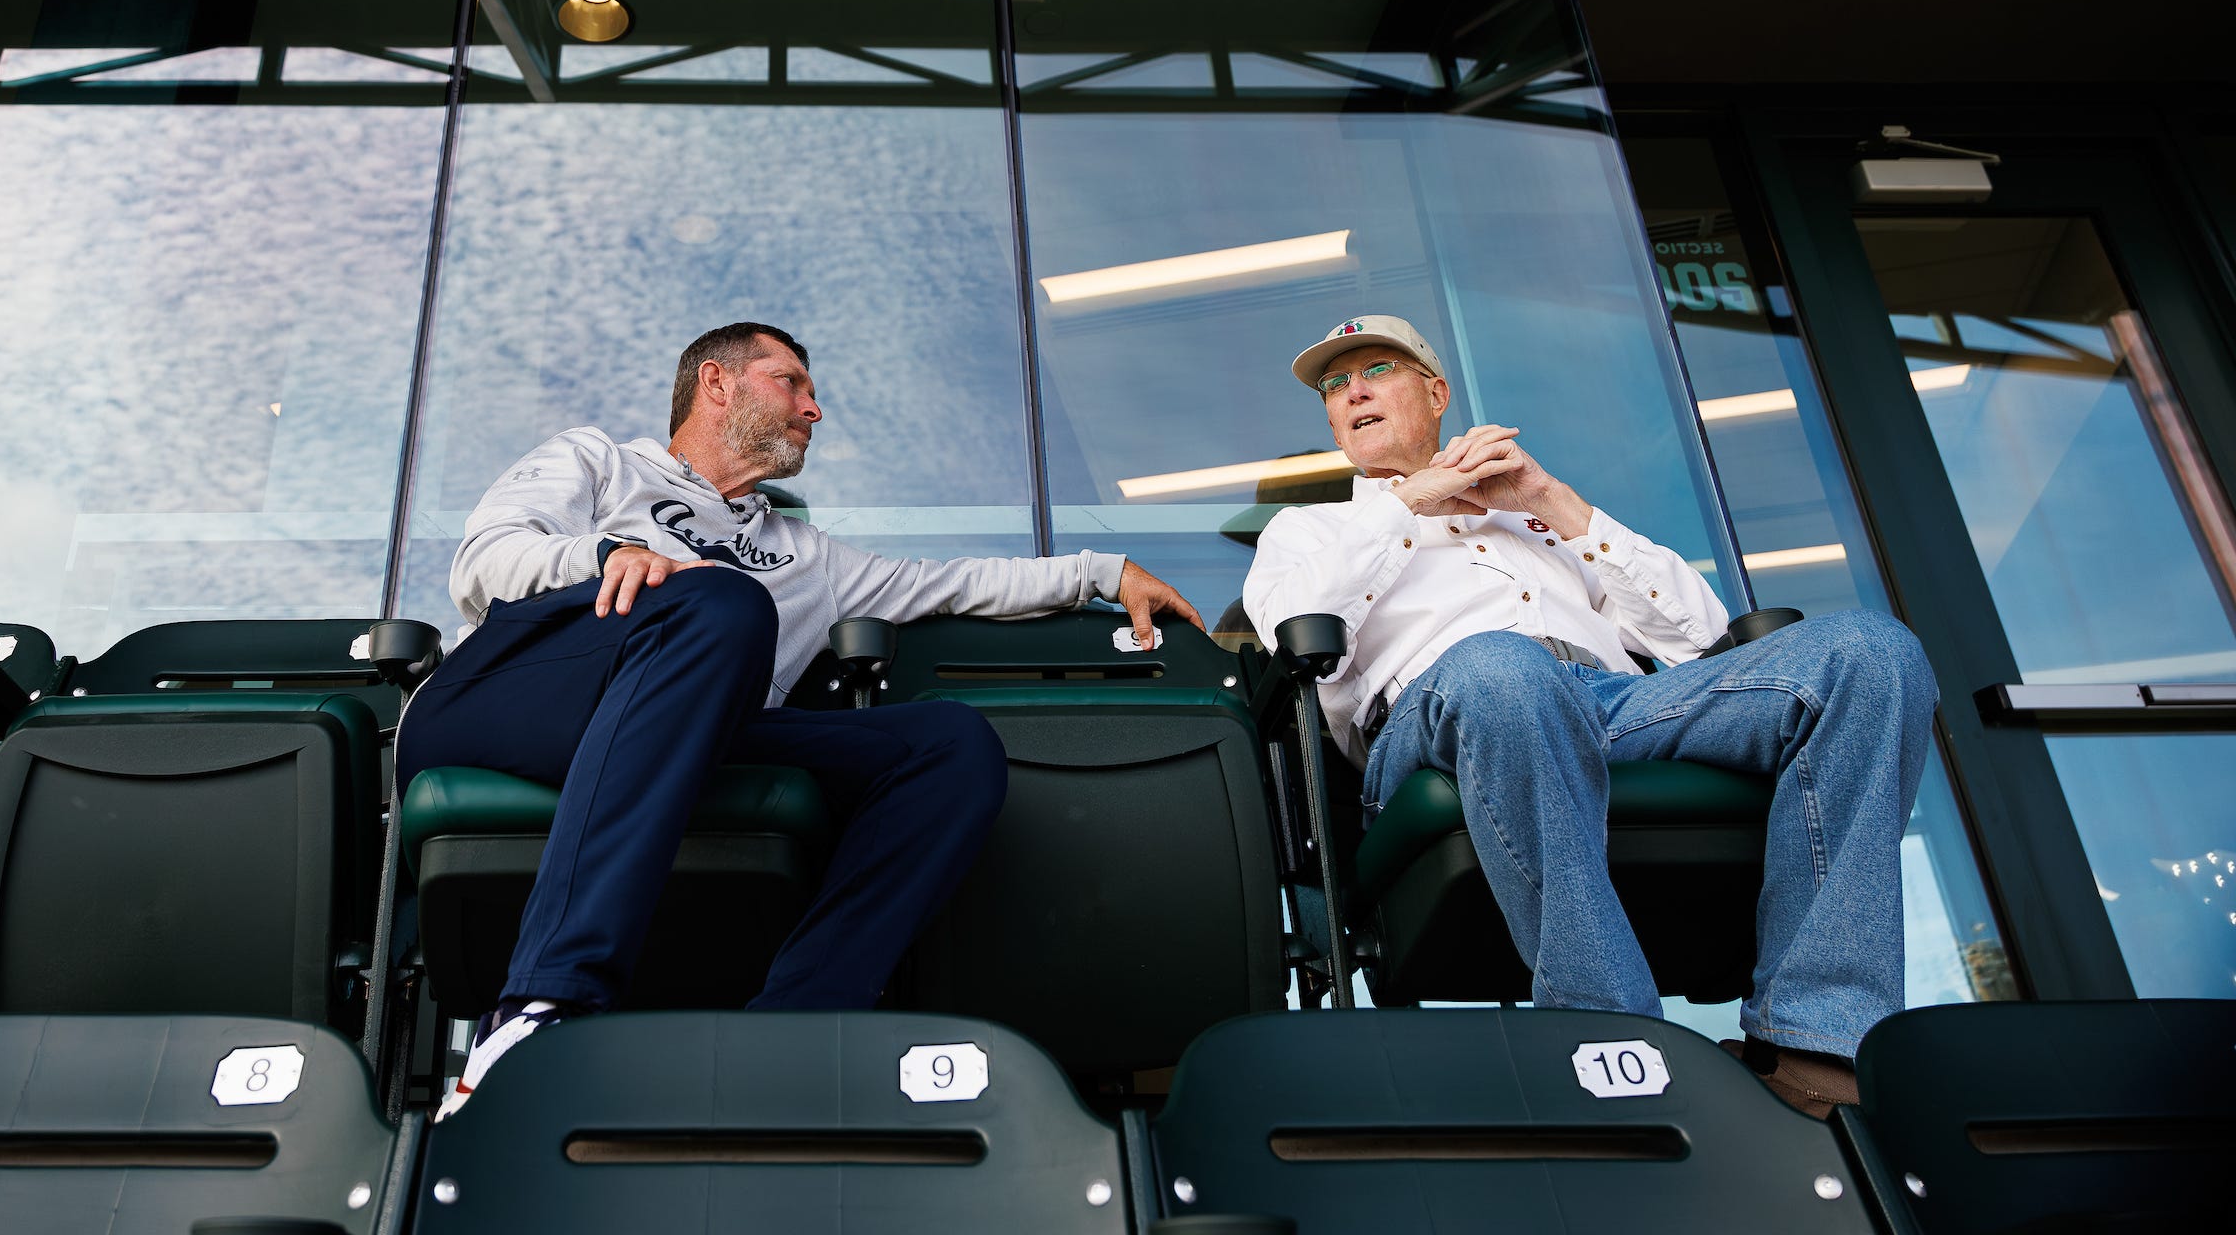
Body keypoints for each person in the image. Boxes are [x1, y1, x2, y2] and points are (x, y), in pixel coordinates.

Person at [400, 322, 1204, 1119]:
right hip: (506, 706)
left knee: (945, 745)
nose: (813, 408)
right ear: (717, 383)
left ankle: (791, 1037)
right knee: (718, 599)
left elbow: (955, 581)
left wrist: (1104, 569)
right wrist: (607, 556)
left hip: (680, 732)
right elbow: (484, 562)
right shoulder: (601, 462)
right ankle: (537, 1010)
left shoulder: (805, 555)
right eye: (792, 382)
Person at [1243, 315, 1936, 1117]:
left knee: (1870, 652)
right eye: (1336, 384)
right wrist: (1409, 506)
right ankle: (1612, 1038)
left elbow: (1701, 641)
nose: (1353, 389)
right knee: (1504, 668)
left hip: (1615, 704)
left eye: (1377, 370)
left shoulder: (1528, 516)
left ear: (1436, 394)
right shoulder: (1310, 529)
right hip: (1436, 721)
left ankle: (1818, 1044)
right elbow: (1299, 633)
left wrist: (1553, 502)